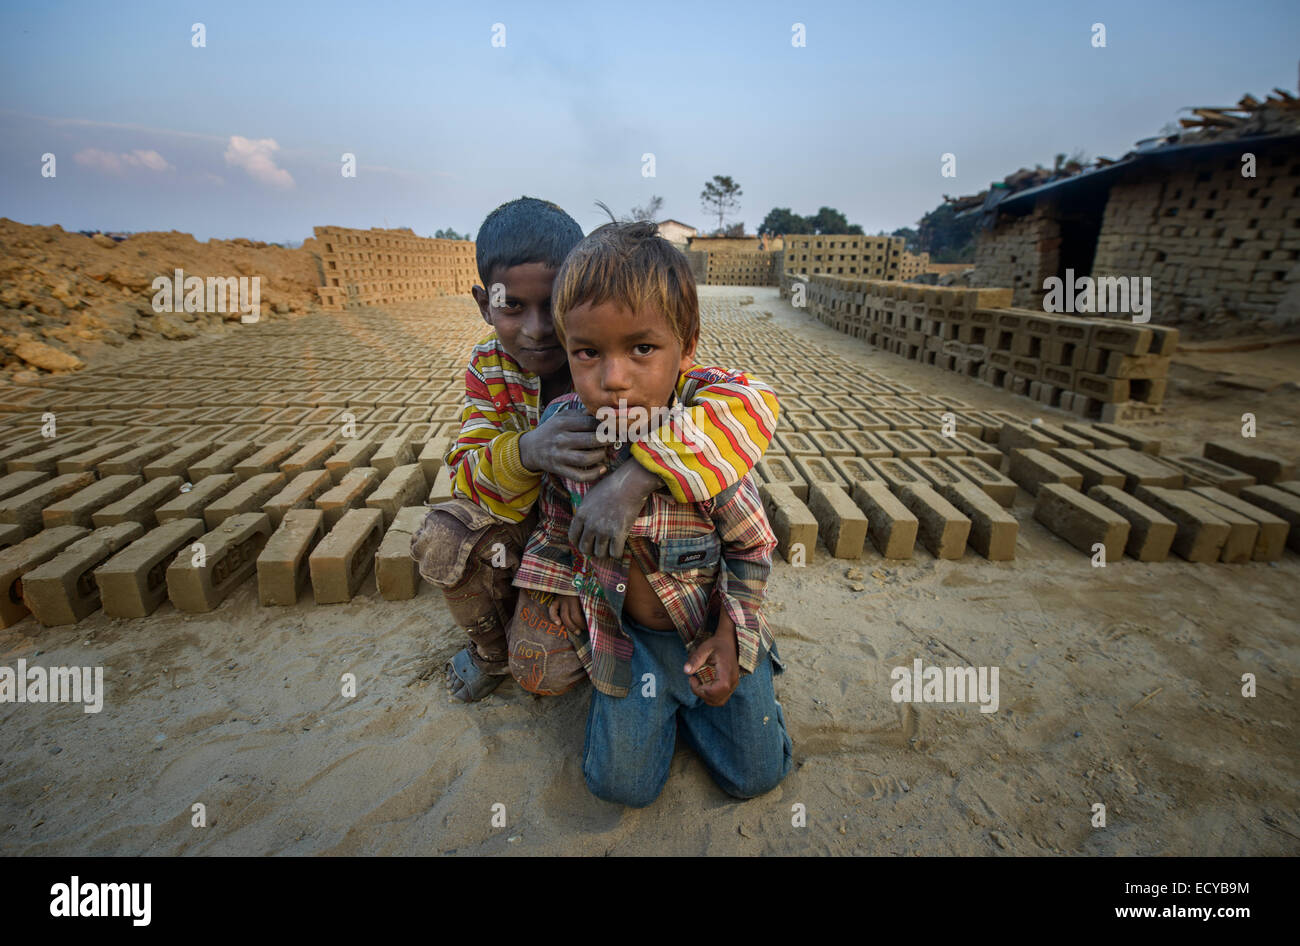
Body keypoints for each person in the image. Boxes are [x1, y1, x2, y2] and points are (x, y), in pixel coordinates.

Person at [410, 197, 780, 703]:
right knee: (444, 537)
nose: (539, 329)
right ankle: (491, 650)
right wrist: (527, 452)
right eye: (512, 306)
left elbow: (752, 404)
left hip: (611, 536)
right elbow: (468, 471)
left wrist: (635, 477)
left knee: (553, 664)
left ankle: (609, 620)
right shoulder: (489, 370)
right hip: (540, 526)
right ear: (483, 303)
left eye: (552, 306)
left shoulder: (623, 356)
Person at [514, 221, 792, 806]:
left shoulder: (708, 446)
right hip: (627, 640)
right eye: (588, 352)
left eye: (642, 348)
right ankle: (658, 710)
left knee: (755, 777)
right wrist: (561, 578)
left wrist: (729, 637)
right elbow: (555, 522)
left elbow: (752, 549)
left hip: (705, 628)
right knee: (620, 786)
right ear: (568, 350)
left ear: (686, 348)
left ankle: (724, 695)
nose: (614, 379)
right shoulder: (567, 435)